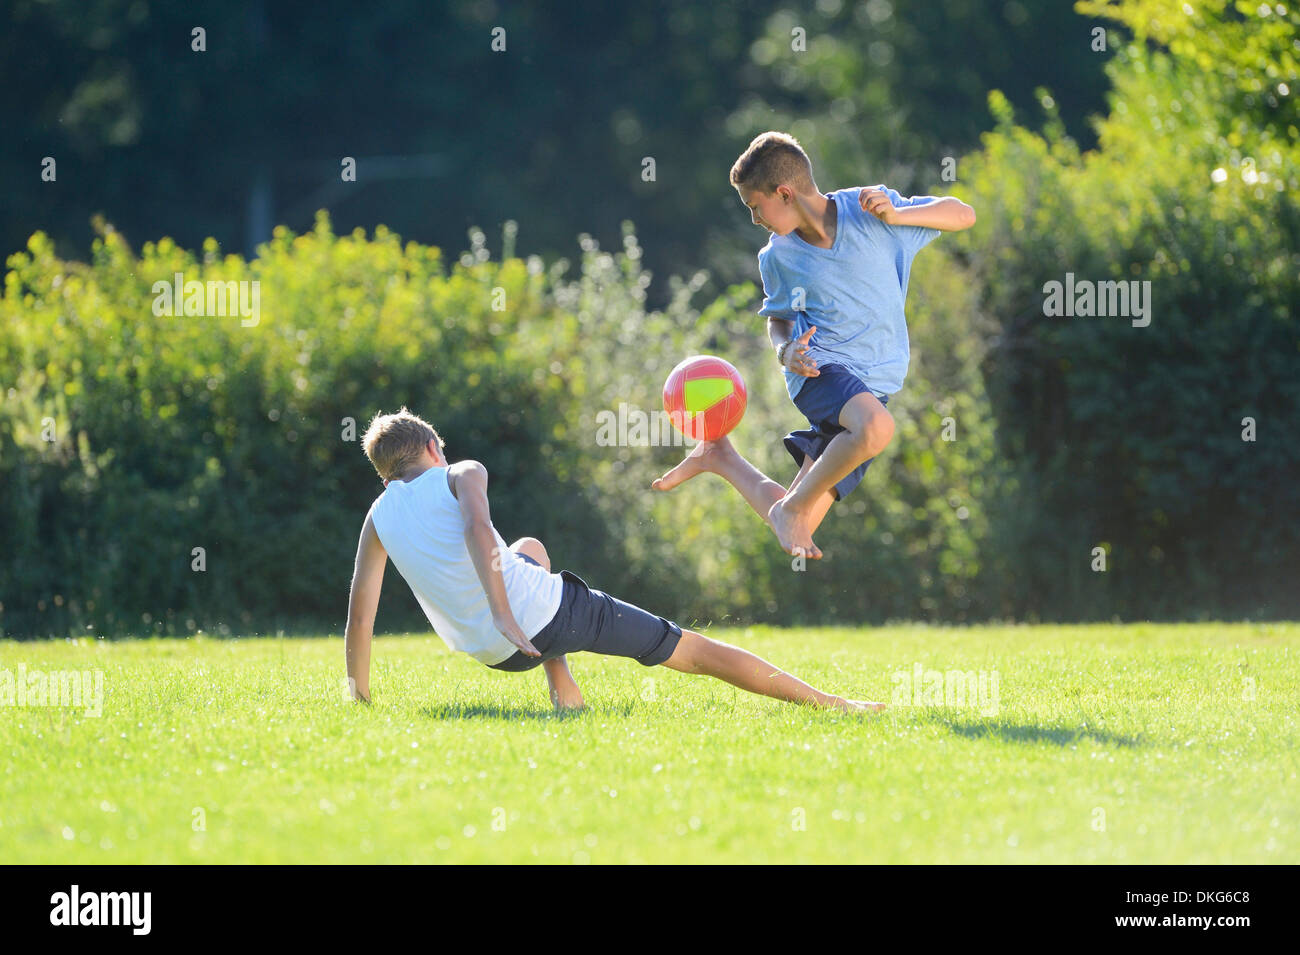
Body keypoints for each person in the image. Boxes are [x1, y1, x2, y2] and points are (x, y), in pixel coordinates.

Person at [343, 408, 885, 713]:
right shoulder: (462, 472)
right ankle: (834, 704)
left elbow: (360, 615)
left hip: (497, 654)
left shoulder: (377, 516)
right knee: (692, 650)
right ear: (434, 448)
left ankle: (563, 685)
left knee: (529, 549)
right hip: (539, 619)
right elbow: (478, 529)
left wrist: (359, 697)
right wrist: (504, 610)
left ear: (385, 474)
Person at [653, 131, 976, 559]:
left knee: (799, 522)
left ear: (783, 193)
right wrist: (785, 351)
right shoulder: (778, 257)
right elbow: (780, 321)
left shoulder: (873, 212)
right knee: (876, 429)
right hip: (820, 372)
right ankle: (792, 507)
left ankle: (721, 458)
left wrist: (898, 214)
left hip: (874, 386)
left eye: (755, 207)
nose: (755, 220)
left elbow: (963, 214)